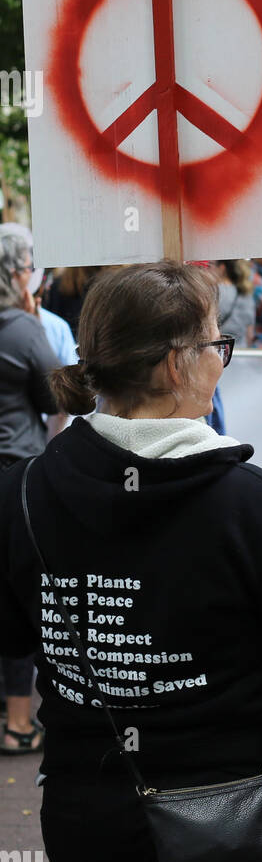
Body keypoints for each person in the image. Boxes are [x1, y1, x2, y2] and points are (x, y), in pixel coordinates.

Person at [0, 260, 262, 862]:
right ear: (176, 364)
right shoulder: (251, 500)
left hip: (87, 815)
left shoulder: (22, 491)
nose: (223, 359)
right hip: (234, 811)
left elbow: (12, 634)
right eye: (217, 344)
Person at [0, 235, 63, 755]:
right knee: (20, 592)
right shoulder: (20, 327)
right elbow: (53, 394)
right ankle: (18, 721)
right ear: (18, 272)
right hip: (14, 471)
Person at [215, 259, 255, 347]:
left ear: (222, 268)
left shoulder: (216, 291)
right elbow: (250, 334)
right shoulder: (246, 292)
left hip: (222, 352)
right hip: (242, 352)